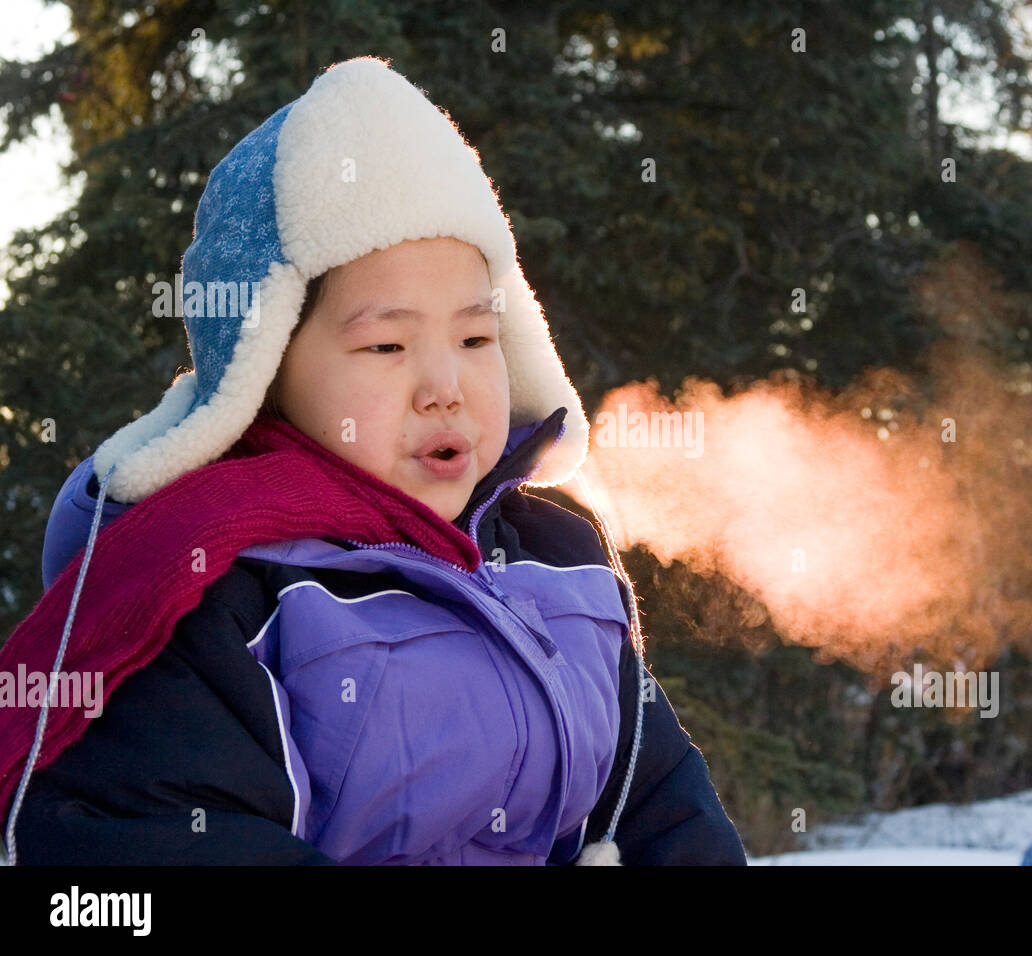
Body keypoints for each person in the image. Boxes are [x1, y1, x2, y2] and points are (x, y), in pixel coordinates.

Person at [0, 56, 746, 866]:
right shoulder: (207, 586)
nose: (444, 386)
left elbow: (663, 807)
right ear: (269, 370)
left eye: (474, 337)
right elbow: (162, 834)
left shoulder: (561, 561)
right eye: (387, 344)